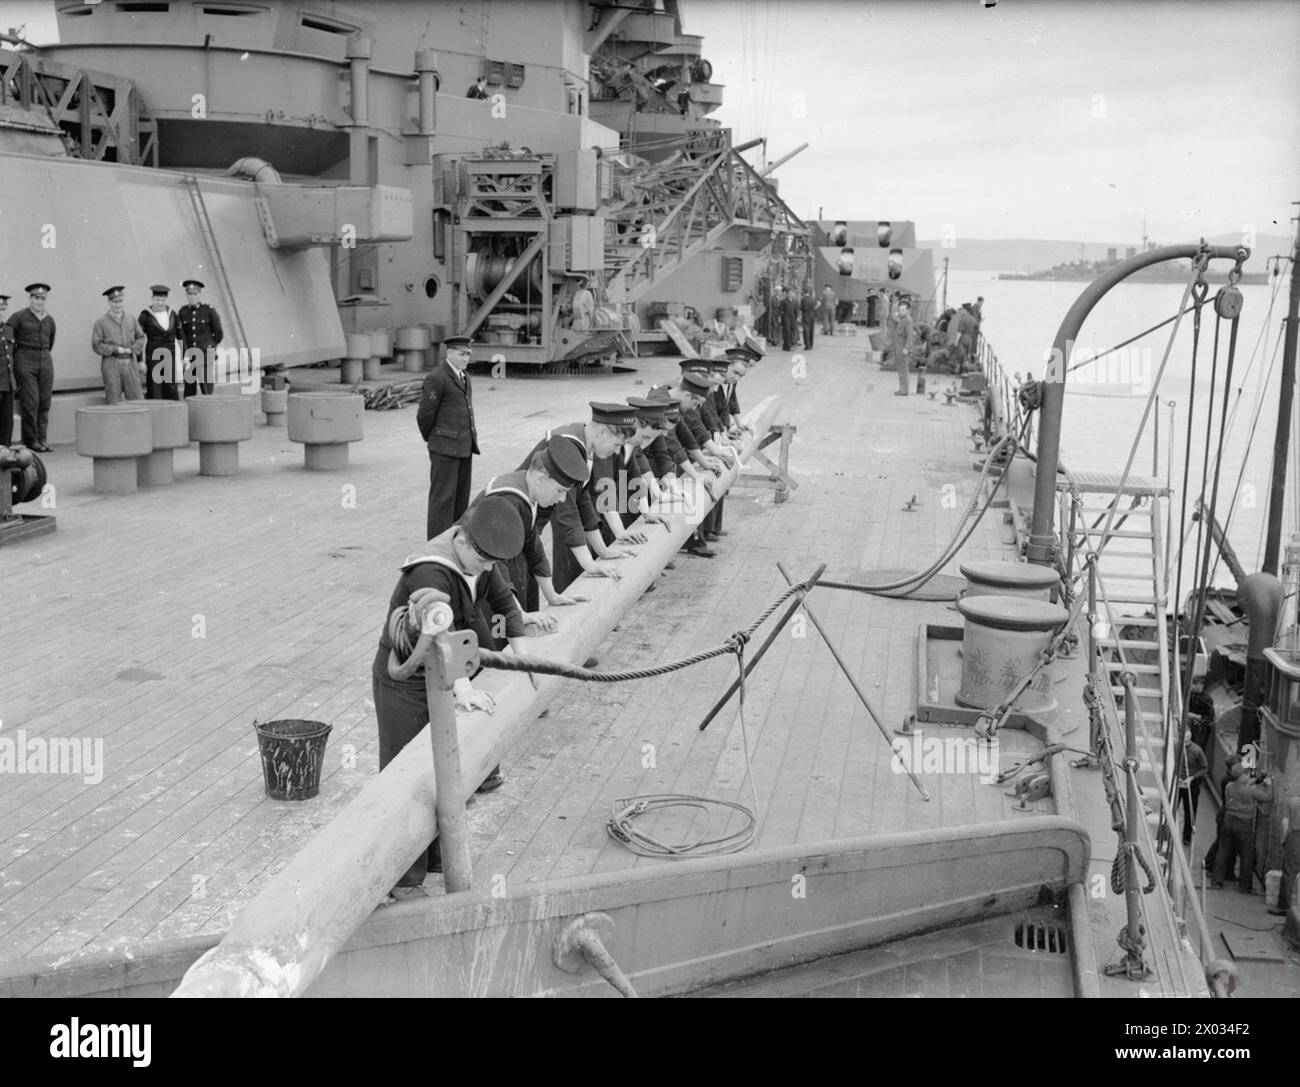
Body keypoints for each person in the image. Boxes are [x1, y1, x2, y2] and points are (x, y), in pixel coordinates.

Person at [373, 495, 532, 887]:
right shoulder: (431, 570)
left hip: (441, 674)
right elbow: (440, 638)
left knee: (443, 772)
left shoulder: (480, 557)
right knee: (407, 777)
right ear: (461, 541)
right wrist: (464, 690)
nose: (488, 569)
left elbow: (505, 604)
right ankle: (402, 880)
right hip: (405, 683)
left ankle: (438, 859)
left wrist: (524, 662)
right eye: (484, 562)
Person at [468, 431, 592, 622]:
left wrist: (552, 596)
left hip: (489, 574)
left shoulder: (527, 490)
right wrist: (516, 613)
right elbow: (496, 565)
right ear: (541, 479)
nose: (561, 499)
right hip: (476, 577)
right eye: (560, 491)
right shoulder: (509, 499)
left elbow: (533, 549)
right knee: (500, 637)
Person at [523, 404, 640, 594]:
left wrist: (602, 551)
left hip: (528, 528)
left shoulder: (583, 443)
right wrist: (589, 564)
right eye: (617, 445)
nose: (617, 452)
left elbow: (581, 498)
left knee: (526, 591)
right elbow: (567, 510)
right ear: (602, 432)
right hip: (511, 524)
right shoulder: (570, 444)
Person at [418, 335, 479, 540]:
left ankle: (453, 539)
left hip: (464, 447)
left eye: (468, 354)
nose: (466, 358)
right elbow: (425, 415)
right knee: (442, 500)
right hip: (444, 449)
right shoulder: (437, 378)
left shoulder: (464, 377)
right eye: (462, 354)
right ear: (450, 353)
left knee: (460, 499)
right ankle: (436, 543)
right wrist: (435, 439)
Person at [6, 283, 56, 451]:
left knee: (44, 401)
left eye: (42, 298)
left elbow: (51, 341)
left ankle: (42, 439)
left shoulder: (49, 320)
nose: (39, 301)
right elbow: (7, 340)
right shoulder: (19, 317)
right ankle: (31, 440)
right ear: (30, 298)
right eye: (36, 298)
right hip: (25, 360)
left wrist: (43, 356)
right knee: (30, 402)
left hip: (45, 359)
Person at [1212, 768, 1273, 893]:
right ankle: (1245, 886)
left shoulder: (1229, 786)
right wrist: (1269, 785)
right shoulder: (1250, 791)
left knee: (1223, 850)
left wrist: (1258, 779)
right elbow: (1267, 797)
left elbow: (1245, 785)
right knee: (1246, 854)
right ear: (1242, 776)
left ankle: (1216, 879)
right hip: (1244, 823)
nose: (1247, 776)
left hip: (1228, 820)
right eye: (1246, 774)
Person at [91, 286, 145, 404]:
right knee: (114, 401)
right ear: (109, 302)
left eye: (120, 301)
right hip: (111, 365)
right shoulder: (101, 322)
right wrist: (115, 349)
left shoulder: (131, 319)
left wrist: (133, 349)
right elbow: (96, 344)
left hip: (130, 363)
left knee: (137, 400)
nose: (118, 305)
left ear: (124, 300)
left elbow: (141, 337)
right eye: (115, 302)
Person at [178, 279, 223, 396]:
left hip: (206, 353)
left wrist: (210, 346)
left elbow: (218, 333)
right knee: (189, 388)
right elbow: (181, 335)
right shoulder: (183, 312)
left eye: (195, 294)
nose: (192, 297)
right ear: (186, 295)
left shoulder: (209, 311)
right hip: (190, 355)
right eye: (189, 294)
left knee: (207, 389)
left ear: (199, 294)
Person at [139, 285, 181, 400]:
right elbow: (139, 339)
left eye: (163, 300)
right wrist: (140, 360)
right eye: (157, 300)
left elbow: (180, 336)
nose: (160, 303)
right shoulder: (145, 315)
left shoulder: (173, 314)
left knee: (171, 388)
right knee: (155, 389)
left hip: (170, 356)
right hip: (153, 357)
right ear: (152, 299)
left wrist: (185, 356)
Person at [1271, 791, 1300, 916]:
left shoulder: (1292, 802)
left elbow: (1285, 823)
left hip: (1295, 837)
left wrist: (1283, 839)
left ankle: (1285, 907)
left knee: (1289, 873)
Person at [1179, 730, 1208, 847]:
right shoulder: (1176, 747)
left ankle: (1187, 837)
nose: (1185, 740)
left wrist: (1192, 778)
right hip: (1177, 782)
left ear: (1190, 736)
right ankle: (1165, 833)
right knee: (1170, 808)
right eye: (1183, 737)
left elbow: (1204, 768)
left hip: (1191, 784)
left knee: (1190, 811)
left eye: (1187, 737)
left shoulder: (1197, 751)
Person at [890, 298, 915, 396]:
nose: (900, 312)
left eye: (903, 310)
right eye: (899, 310)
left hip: (902, 347)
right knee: (900, 369)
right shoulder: (903, 319)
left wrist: (906, 348)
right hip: (899, 346)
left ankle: (904, 390)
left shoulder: (908, 320)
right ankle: (902, 389)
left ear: (908, 311)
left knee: (903, 370)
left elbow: (910, 335)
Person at [0, 294, 14, 448]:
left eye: (4, 308)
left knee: (6, 423)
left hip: (8, 384)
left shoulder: (9, 330)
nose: (1, 312)